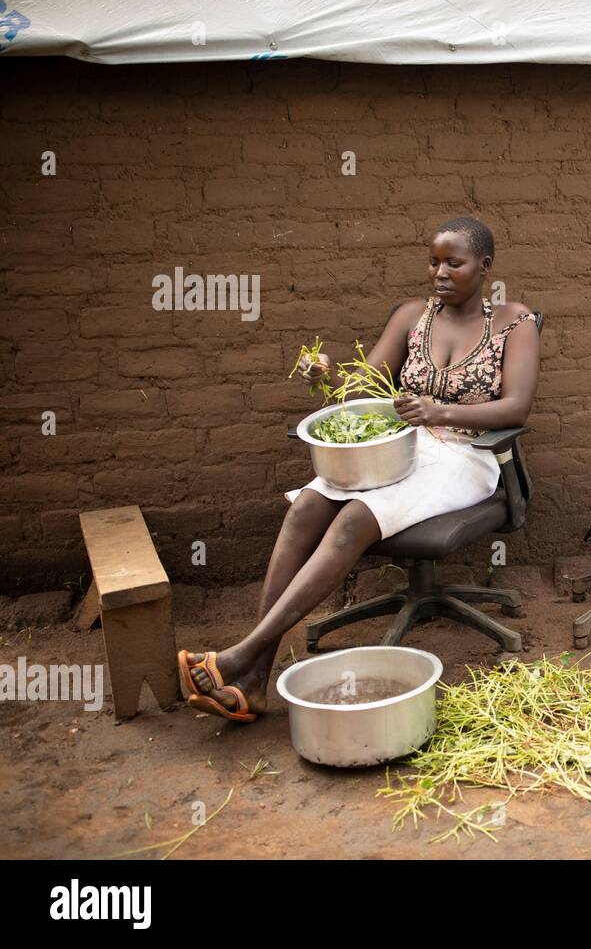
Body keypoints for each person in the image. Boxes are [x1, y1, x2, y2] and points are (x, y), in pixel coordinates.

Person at [178, 216, 540, 722]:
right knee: (306, 506)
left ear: (484, 267)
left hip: (466, 454)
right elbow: (365, 391)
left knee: (353, 519)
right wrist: (324, 375)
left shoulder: (514, 321)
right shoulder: (413, 316)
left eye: (452, 263)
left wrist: (442, 412)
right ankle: (256, 679)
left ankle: (242, 656)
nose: (439, 272)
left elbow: (517, 408)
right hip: (402, 445)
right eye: (433, 261)